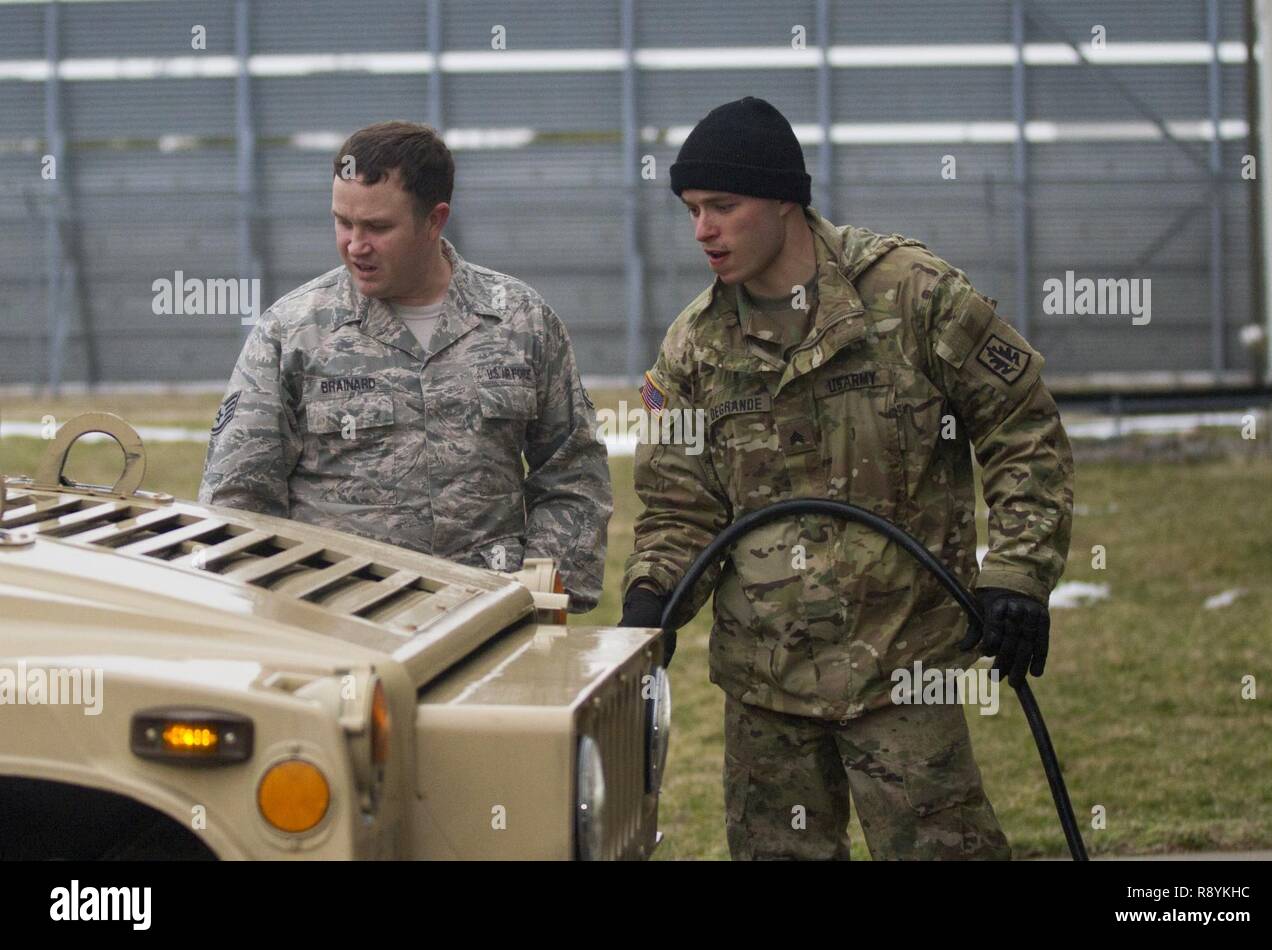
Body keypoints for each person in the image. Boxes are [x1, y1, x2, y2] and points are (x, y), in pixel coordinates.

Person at [620, 97, 1074, 859]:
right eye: (692, 210)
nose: (702, 230)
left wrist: (1021, 570)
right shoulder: (694, 349)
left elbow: (1021, 425)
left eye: (722, 206)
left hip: (905, 670)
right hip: (767, 690)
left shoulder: (913, 296)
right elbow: (678, 509)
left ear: (786, 200)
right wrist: (648, 609)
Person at [200, 121, 612, 611]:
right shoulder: (292, 334)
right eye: (342, 222)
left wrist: (539, 598)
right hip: (344, 630)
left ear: (434, 220)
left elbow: (573, 475)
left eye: (377, 227)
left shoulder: (520, 321)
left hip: (489, 626)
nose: (355, 245)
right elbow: (237, 502)